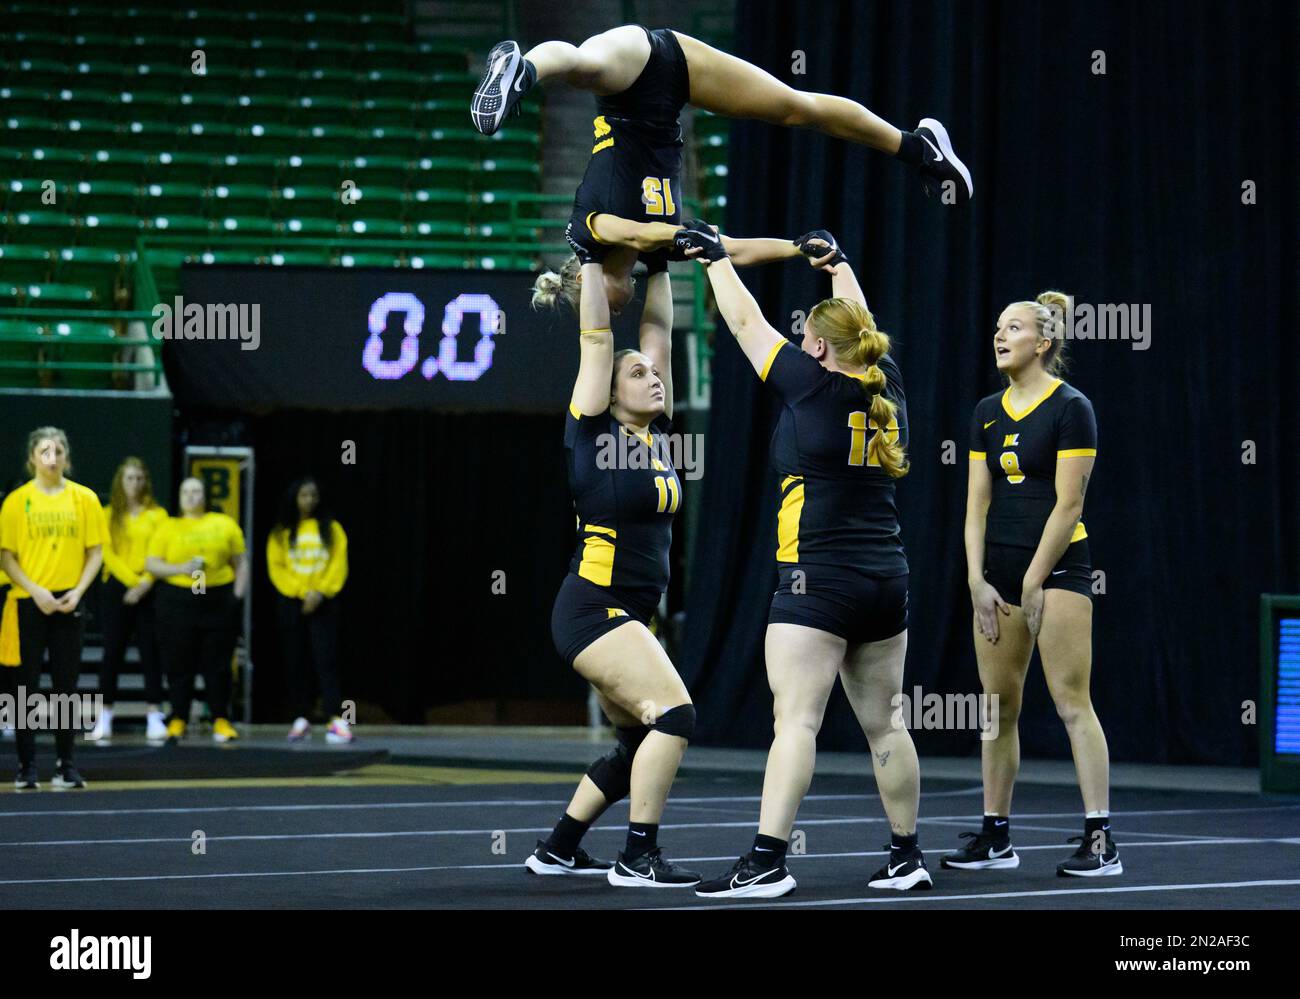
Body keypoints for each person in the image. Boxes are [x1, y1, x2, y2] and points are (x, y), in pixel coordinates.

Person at [671, 223, 930, 898]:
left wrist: (715, 257)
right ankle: (908, 854)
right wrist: (839, 262)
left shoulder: (809, 383)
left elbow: (744, 320)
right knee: (887, 724)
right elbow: (860, 322)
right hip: (886, 579)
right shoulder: (888, 385)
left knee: (797, 722)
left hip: (816, 581)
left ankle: (767, 860)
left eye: (809, 339)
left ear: (816, 346)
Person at [476, 25, 971, 316]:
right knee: (794, 107)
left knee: (583, 65)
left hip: (629, 79)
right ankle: (918, 150)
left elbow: (634, 232)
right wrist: (797, 249)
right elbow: (730, 249)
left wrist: (679, 237)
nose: (610, 312)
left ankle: (524, 69)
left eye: (598, 306)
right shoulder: (660, 251)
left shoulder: (589, 234)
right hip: (672, 90)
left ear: (587, 282)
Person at [524, 213, 700, 888]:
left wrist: (662, 264)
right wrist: (592, 256)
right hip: (591, 609)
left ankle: (559, 846)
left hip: (625, 615)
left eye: (654, 375)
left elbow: (655, 335)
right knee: (676, 716)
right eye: (636, 374)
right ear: (609, 387)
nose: (651, 376)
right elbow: (601, 337)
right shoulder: (591, 431)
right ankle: (639, 854)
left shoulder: (660, 436)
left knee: (634, 743)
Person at [943, 292, 1121, 877]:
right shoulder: (986, 411)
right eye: (997, 327)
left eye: (1013, 328)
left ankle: (1101, 842)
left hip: (1059, 569)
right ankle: (996, 836)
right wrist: (975, 580)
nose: (999, 335)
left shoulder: (1072, 407)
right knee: (997, 710)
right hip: (997, 577)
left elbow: (1070, 503)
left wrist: (1036, 580)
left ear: (1042, 343)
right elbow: (975, 504)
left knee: (1073, 704)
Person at [0, 427, 104, 790]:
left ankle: (66, 764)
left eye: (58, 450)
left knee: (67, 685)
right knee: (23, 687)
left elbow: (96, 552)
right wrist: (34, 589)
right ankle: (26, 766)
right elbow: (6, 556)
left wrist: (77, 591)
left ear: (66, 457)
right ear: (32, 458)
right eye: (44, 451)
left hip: (68, 599)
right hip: (28, 599)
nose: (52, 457)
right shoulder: (16, 501)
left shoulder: (85, 499)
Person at [145, 477, 248, 743]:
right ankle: (178, 717)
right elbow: (152, 564)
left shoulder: (223, 523)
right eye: (186, 492)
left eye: (197, 491)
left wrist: (236, 597)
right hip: (178, 598)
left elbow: (241, 562)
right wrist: (180, 568)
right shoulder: (168, 526)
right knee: (178, 662)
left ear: (204, 496)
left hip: (217, 596)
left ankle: (221, 719)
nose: (192, 496)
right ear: (179, 497)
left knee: (218, 663)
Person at [267, 477, 351, 744]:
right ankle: (301, 718)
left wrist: (320, 591)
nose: (309, 501)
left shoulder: (333, 529)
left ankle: (335, 719)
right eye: (304, 496)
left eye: (313, 496)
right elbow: (277, 568)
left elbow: (339, 564)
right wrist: (303, 592)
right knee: (296, 660)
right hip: (293, 602)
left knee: (326, 660)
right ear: (294, 498)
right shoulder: (281, 532)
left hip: (324, 600)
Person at [90, 457, 169, 743]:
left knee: (151, 652)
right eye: (129, 478)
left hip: (149, 587)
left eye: (139, 478)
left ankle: (154, 715)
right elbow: (105, 552)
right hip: (117, 588)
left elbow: (162, 552)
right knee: (112, 652)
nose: (134, 484)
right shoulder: (107, 513)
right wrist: (132, 582)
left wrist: (145, 582)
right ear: (120, 482)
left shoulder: (158, 515)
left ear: (145, 481)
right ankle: (105, 715)